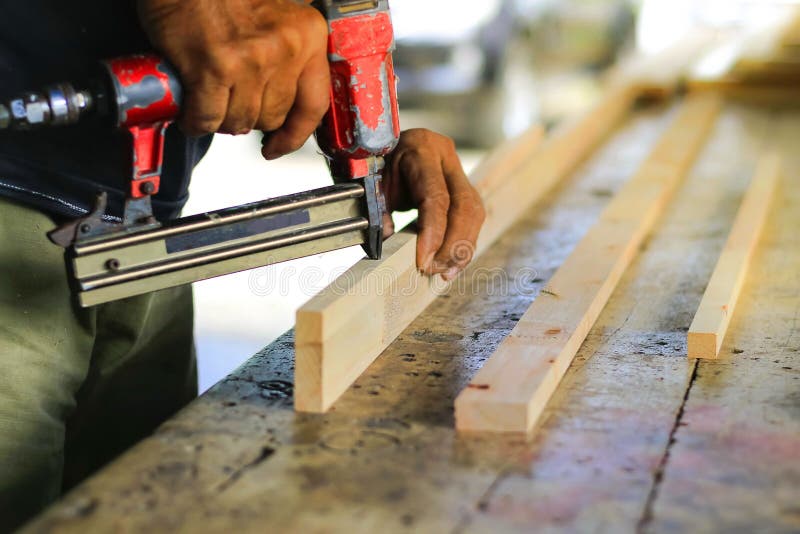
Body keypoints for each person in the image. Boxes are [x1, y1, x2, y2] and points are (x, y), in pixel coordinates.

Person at [0, 0, 485, 529]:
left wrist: (374, 129)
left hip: (149, 237)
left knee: (149, 508)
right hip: (17, 200)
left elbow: (341, 19)